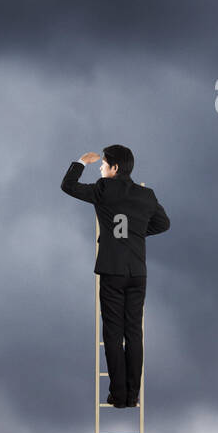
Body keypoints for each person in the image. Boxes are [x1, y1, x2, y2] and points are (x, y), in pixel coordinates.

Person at [60, 145, 169, 409]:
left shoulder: (104, 189)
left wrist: (81, 162)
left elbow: (68, 186)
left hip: (112, 270)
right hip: (137, 272)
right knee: (134, 333)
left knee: (112, 333)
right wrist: (136, 233)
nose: (100, 167)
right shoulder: (146, 194)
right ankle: (133, 396)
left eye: (103, 164)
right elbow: (163, 223)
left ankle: (118, 396)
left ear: (115, 168)